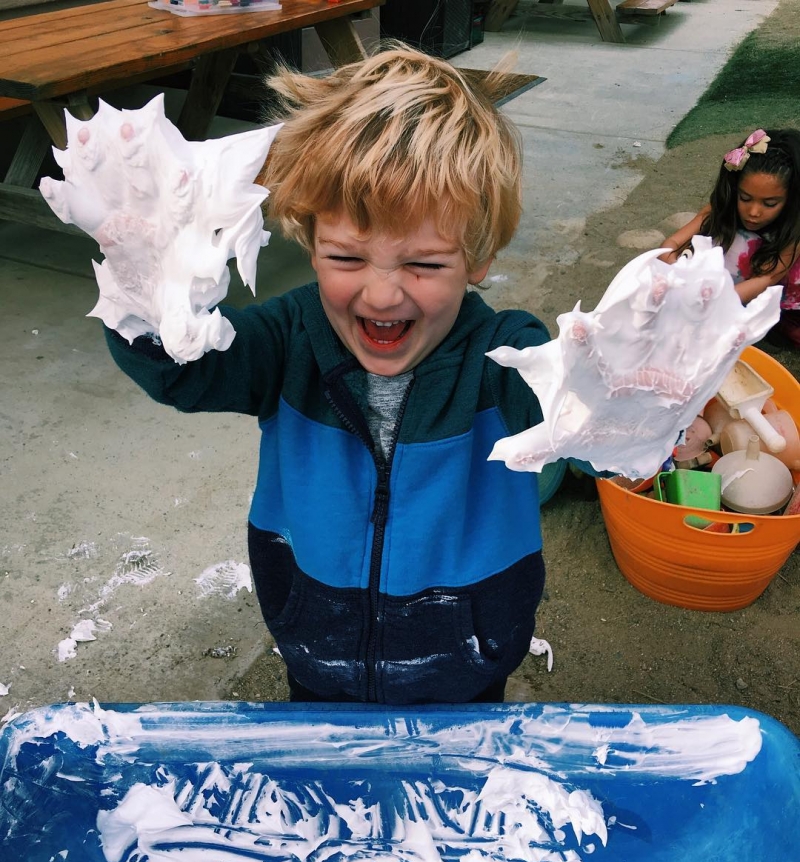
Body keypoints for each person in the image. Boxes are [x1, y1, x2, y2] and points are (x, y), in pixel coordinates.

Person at [105, 46, 555, 705]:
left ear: (479, 256)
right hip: (318, 648)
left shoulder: (506, 356)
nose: (380, 295)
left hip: (468, 661)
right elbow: (184, 372)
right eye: (346, 256)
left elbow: (579, 416)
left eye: (424, 265)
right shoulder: (286, 340)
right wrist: (145, 295)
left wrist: (636, 401)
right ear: (307, 237)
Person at [658, 127, 800, 348]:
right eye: (745, 198)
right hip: (732, 288)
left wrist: (712, 303)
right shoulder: (721, 209)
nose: (754, 212)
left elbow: (767, 279)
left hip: (772, 282)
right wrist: (671, 267)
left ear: (791, 200)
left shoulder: (794, 231)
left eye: (769, 204)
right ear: (734, 189)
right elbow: (671, 244)